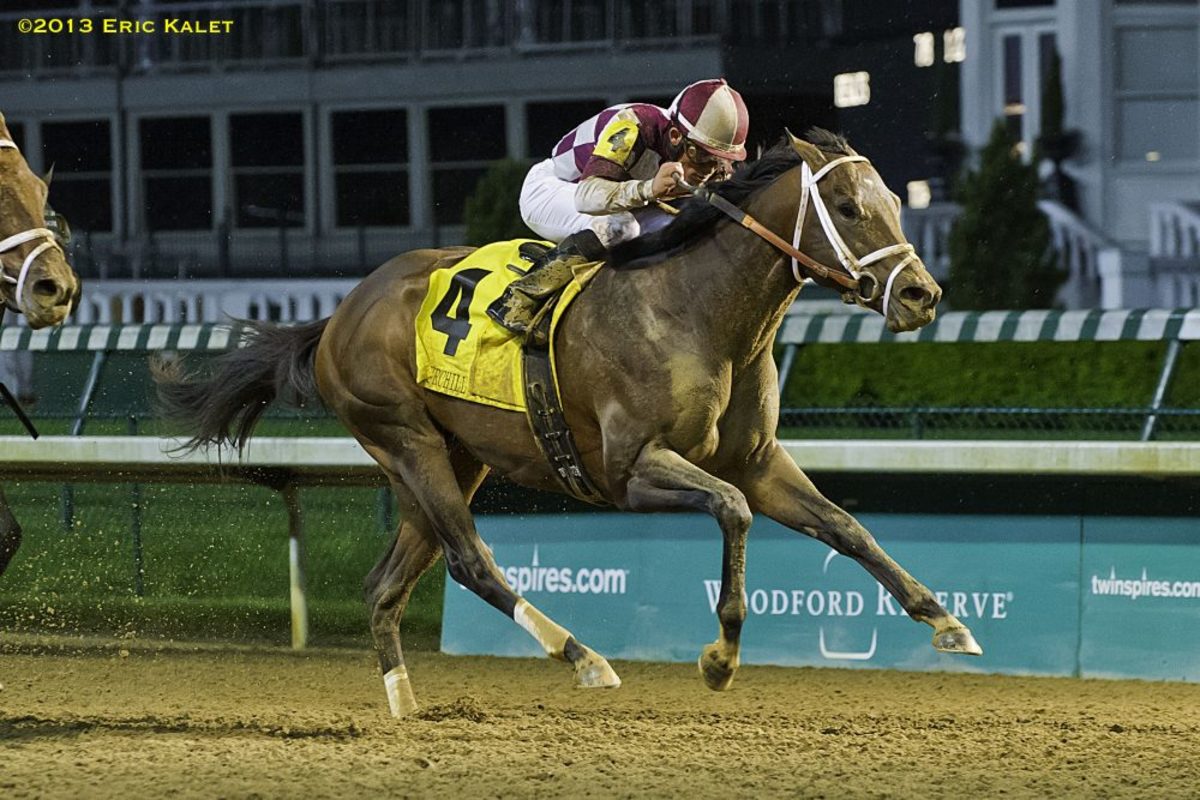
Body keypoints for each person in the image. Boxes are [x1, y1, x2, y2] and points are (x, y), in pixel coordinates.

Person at [487, 78, 750, 335]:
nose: (708, 171)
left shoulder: (710, 166)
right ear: (674, 136)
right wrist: (649, 189)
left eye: (719, 161)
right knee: (620, 227)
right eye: (701, 156)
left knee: (680, 235)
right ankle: (518, 299)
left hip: (616, 203)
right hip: (551, 190)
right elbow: (586, 197)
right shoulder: (633, 125)